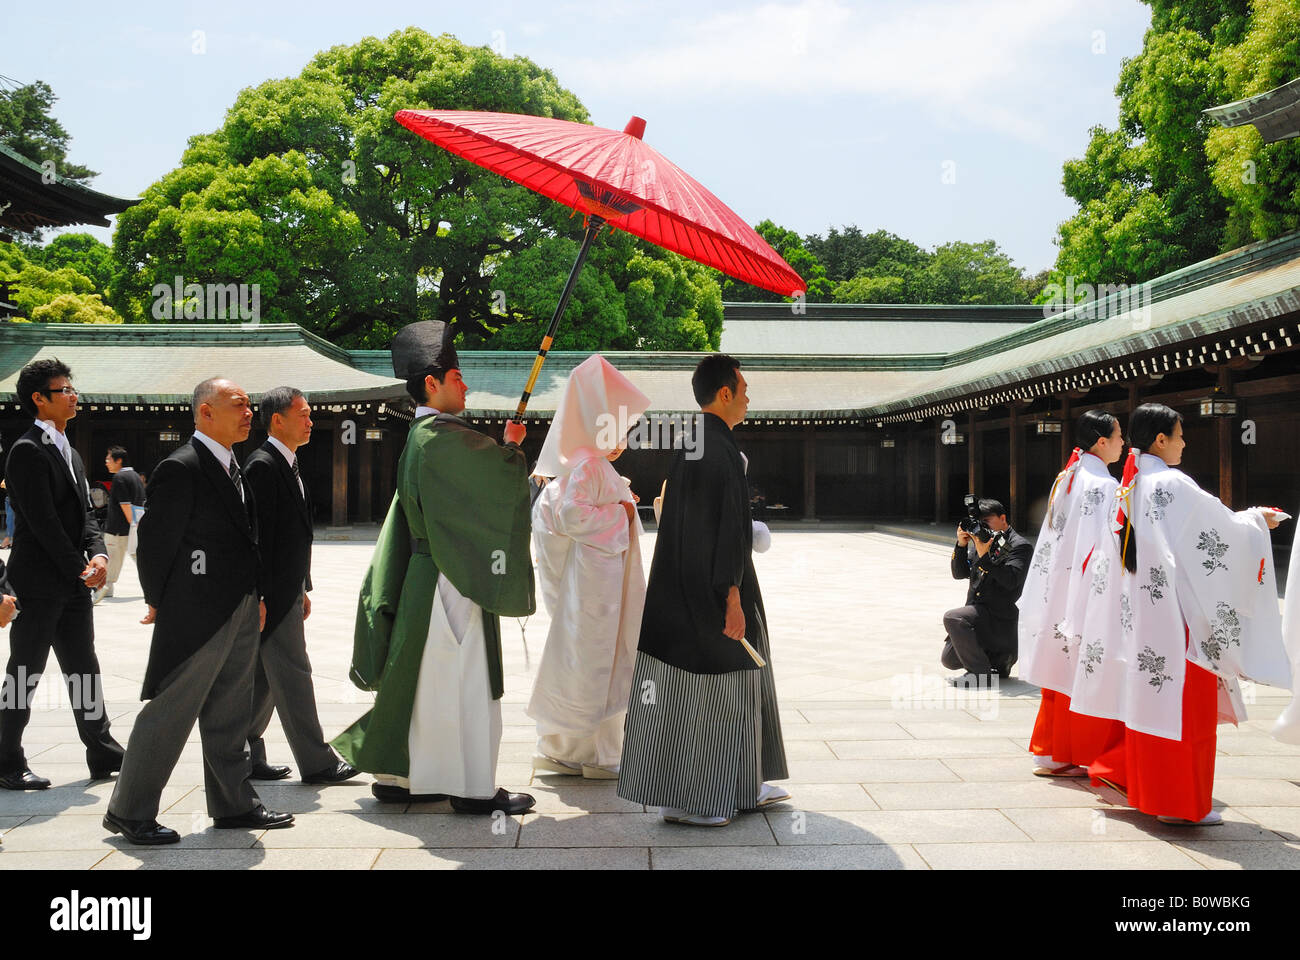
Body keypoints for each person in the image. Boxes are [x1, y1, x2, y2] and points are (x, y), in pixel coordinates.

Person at [333, 321, 536, 814]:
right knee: (458, 676)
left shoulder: (425, 436)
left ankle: (406, 775)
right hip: (452, 575)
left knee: (423, 676)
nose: (466, 385)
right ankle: (471, 788)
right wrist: (512, 451)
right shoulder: (440, 438)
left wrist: (503, 450)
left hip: (433, 574)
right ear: (433, 383)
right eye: (458, 376)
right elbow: (495, 483)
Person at [104, 378, 294, 844]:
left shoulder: (235, 466)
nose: (249, 413)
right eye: (238, 406)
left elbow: (248, 540)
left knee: (231, 712)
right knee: (172, 709)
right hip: (196, 610)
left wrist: (258, 595)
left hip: (242, 605)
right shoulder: (181, 466)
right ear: (205, 412)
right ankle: (129, 810)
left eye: (250, 406)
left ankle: (233, 805)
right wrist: (158, 600)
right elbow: (154, 542)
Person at [1089, 403, 1289, 826]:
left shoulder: (1130, 482)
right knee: (1186, 711)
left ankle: (1146, 789)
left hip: (1143, 615)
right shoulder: (1171, 483)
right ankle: (1178, 804)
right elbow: (1220, 533)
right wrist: (1257, 521)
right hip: (1178, 621)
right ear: (1161, 439)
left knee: (1147, 705)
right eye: (1180, 435)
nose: (1185, 442)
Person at [618, 354, 790, 827]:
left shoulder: (693, 443)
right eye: (745, 388)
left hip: (682, 584)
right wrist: (730, 596)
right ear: (726, 393)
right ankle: (705, 801)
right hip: (714, 587)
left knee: (688, 690)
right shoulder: (719, 449)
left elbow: (695, 522)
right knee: (717, 692)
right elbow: (725, 528)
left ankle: (736, 786)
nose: (750, 398)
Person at [0, 359, 124, 790]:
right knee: (24, 672)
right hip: (36, 582)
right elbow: (41, 522)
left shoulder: (68, 449)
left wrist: (99, 556)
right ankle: (6, 758)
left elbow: (86, 516)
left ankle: (102, 749)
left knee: (83, 667)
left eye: (73, 388)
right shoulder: (26, 450)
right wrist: (81, 568)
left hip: (72, 581)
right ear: (39, 399)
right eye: (64, 389)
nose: (73, 396)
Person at [527, 355, 649, 779]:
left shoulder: (577, 467)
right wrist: (625, 512)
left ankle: (565, 748)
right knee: (600, 663)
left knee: (577, 662)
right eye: (617, 428)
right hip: (596, 593)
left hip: (589, 588)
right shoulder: (589, 468)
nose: (622, 439)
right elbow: (575, 518)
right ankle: (598, 755)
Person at [243, 387, 358, 785]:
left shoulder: (286, 461)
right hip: (270, 594)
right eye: (304, 415)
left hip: (286, 589)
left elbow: (293, 535)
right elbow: (256, 539)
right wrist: (258, 594)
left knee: (264, 677)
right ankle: (318, 762)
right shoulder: (262, 464)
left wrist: (303, 586)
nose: (311, 421)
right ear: (278, 420)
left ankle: (246, 753)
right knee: (293, 672)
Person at [1019, 411, 1126, 777]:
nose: (1123, 444)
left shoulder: (1070, 476)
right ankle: (1088, 753)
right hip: (1085, 589)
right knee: (1087, 668)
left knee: (1059, 667)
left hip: (1059, 587)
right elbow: (1103, 548)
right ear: (1101, 442)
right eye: (1118, 437)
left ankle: (1052, 751)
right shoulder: (1105, 486)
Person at [942, 499, 1034, 687]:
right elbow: (959, 573)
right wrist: (960, 545)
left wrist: (984, 557)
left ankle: (980, 674)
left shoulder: (1019, 546)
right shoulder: (983, 541)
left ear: (1002, 518)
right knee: (949, 659)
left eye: (987, 522)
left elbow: (1011, 580)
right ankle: (998, 662)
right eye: (979, 524)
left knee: (954, 618)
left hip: (1000, 617)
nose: (982, 528)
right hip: (979, 614)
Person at [95, 445, 146, 603]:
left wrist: (132, 525)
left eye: (109, 459)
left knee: (110, 561)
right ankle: (152, 586)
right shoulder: (136, 477)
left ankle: (102, 591)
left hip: (119, 529)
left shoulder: (120, 478)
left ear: (119, 461)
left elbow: (125, 505)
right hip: (134, 526)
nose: (106, 462)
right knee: (139, 558)